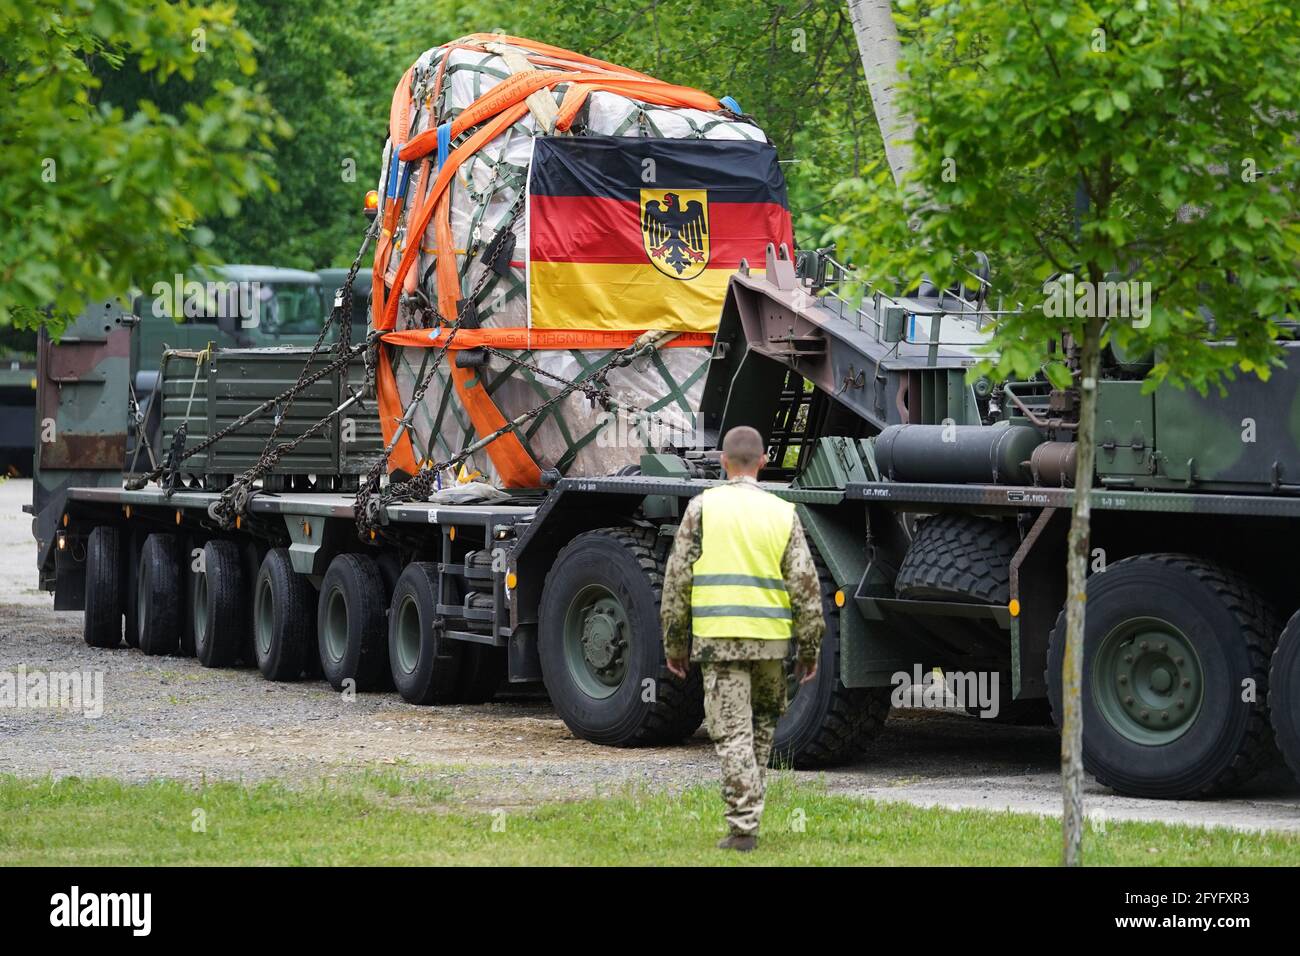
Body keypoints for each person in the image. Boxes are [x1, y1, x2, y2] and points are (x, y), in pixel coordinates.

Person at [660, 425, 824, 851]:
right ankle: (749, 816)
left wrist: (675, 644)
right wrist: (809, 650)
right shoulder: (783, 512)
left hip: (720, 641)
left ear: (722, 462)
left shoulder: (702, 508)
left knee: (732, 734)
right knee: (762, 729)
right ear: (765, 462)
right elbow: (806, 589)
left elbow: (676, 580)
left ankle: (743, 828)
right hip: (770, 643)